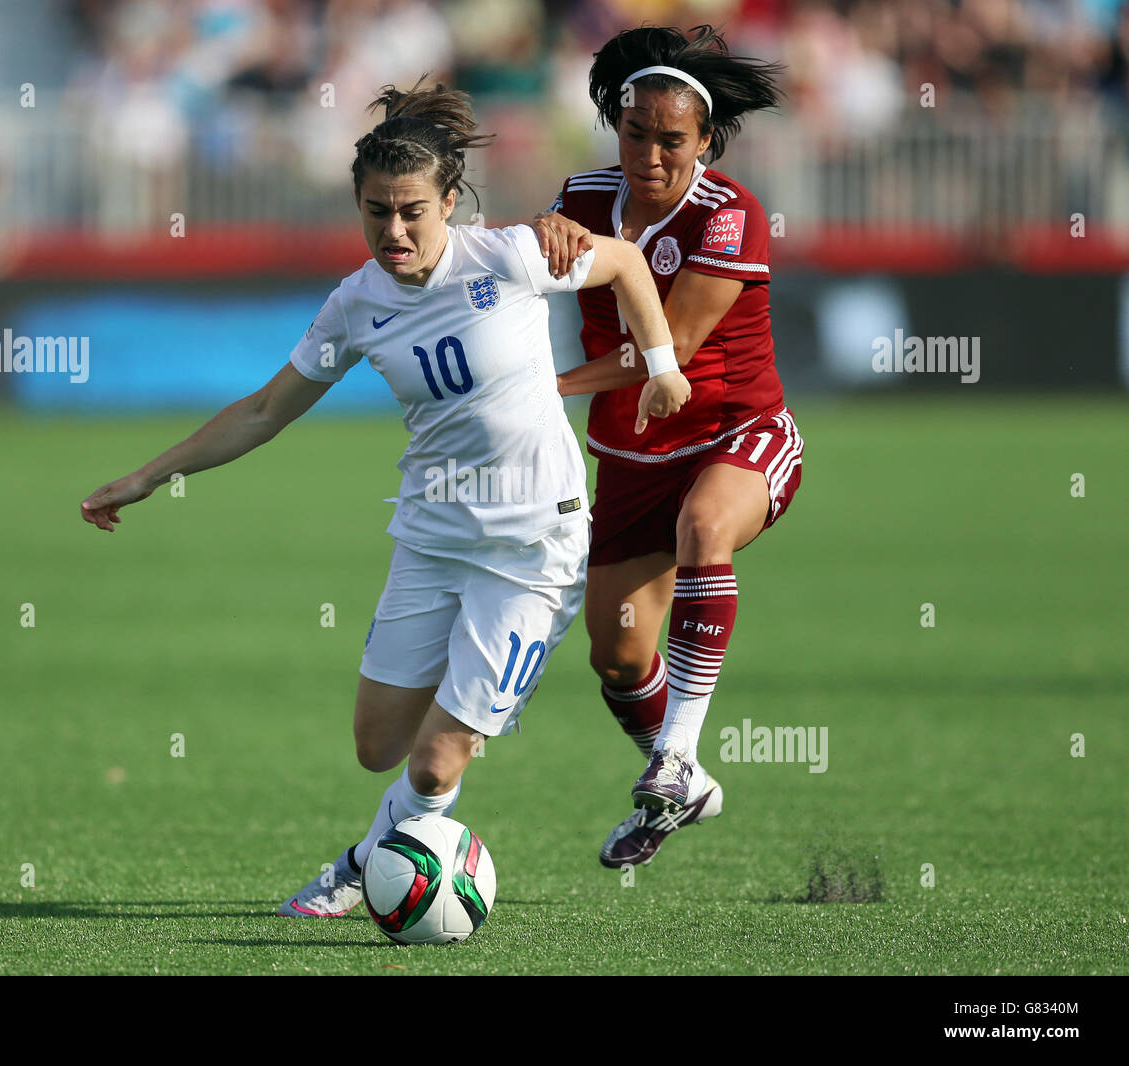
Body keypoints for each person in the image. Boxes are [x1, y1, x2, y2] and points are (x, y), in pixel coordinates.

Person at [80, 79, 689, 916]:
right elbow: (264, 409)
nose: (393, 232)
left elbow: (622, 262)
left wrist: (661, 367)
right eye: (375, 213)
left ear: (450, 201)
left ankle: (365, 866)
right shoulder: (354, 304)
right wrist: (150, 474)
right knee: (377, 746)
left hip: (532, 550)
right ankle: (383, 840)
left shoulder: (509, 256)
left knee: (437, 764)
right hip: (432, 539)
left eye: (412, 212)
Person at [533, 26, 803, 869]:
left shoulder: (732, 216)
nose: (651, 152)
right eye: (636, 132)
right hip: (631, 458)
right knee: (616, 659)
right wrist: (522, 240)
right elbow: (503, 276)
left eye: (673, 138)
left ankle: (677, 752)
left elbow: (667, 352)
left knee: (704, 531)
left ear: (707, 140)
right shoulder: (579, 199)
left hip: (738, 433)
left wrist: (541, 391)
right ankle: (689, 783)